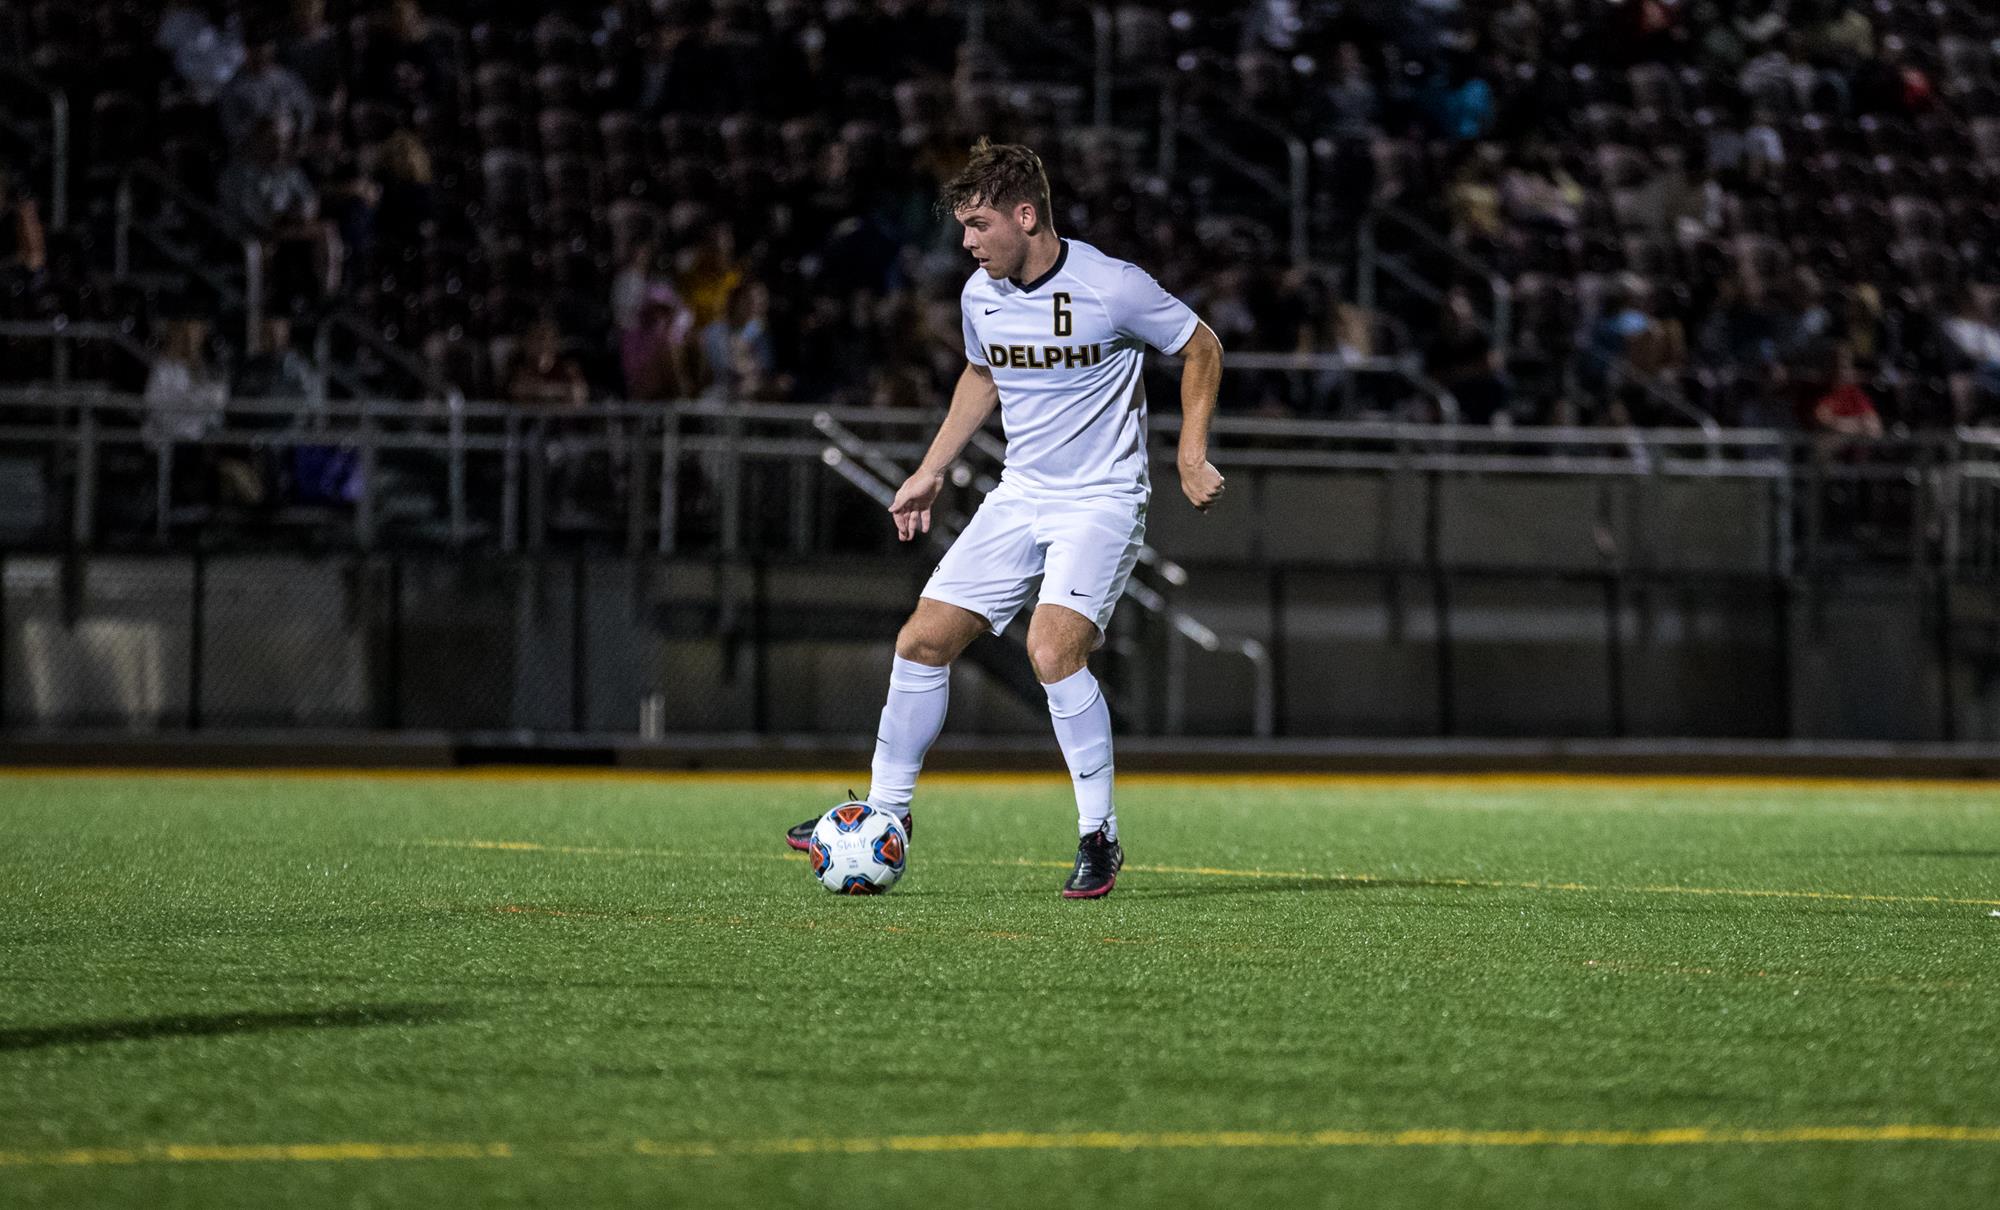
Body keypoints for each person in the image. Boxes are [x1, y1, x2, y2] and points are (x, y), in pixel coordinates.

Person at [780, 139, 1226, 899]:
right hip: (1020, 495)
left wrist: (1189, 454)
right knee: (921, 641)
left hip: (1102, 500)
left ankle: (1099, 836)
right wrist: (930, 469)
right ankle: (887, 813)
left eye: (979, 224)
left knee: (1052, 650)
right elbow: (982, 375)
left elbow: (1201, 346)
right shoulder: (979, 294)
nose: (966, 241)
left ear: (1027, 216)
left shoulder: (1112, 286)